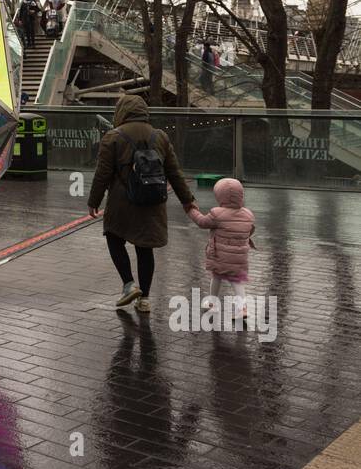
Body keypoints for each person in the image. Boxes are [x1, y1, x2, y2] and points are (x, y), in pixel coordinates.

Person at [87, 94, 196, 314]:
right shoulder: (160, 137)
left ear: (122, 111)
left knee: (113, 236)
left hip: (121, 201)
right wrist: (187, 200)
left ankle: (128, 284)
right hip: (152, 201)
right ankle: (144, 299)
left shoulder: (113, 137)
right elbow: (174, 172)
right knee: (145, 248)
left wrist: (94, 201)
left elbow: (103, 174)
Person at [187, 178, 256, 327]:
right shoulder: (248, 214)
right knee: (237, 282)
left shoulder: (217, 214)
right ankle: (242, 308)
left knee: (216, 277)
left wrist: (191, 210)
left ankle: (213, 302)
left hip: (220, 256)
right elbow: (249, 230)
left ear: (220, 196)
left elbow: (202, 222)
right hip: (239, 257)